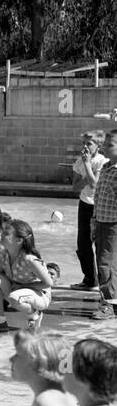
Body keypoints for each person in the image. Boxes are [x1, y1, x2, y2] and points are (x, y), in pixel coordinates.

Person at [0, 219, 52, 331]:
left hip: (40, 295)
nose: (1, 235)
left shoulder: (29, 259)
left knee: (14, 298)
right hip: (18, 290)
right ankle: (0, 322)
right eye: (2, 232)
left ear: (19, 240)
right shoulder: (2, 255)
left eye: (6, 233)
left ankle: (34, 315)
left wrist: (22, 287)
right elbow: (1, 277)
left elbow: (48, 283)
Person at [74, 131, 107, 290]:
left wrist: (87, 166)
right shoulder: (79, 161)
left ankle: (105, 284)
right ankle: (89, 279)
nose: (85, 147)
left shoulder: (102, 162)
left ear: (98, 146)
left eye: (89, 143)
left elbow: (95, 184)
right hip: (84, 204)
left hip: (99, 205)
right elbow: (75, 186)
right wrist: (88, 174)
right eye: (84, 143)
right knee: (83, 244)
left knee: (100, 245)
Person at [93, 130, 117, 321]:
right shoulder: (107, 167)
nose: (105, 148)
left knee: (106, 264)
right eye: (106, 144)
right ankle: (110, 299)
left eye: (110, 145)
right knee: (104, 263)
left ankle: (110, 304)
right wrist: (94, 221)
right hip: (101, 222)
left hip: (113, 226)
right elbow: (98, 196)